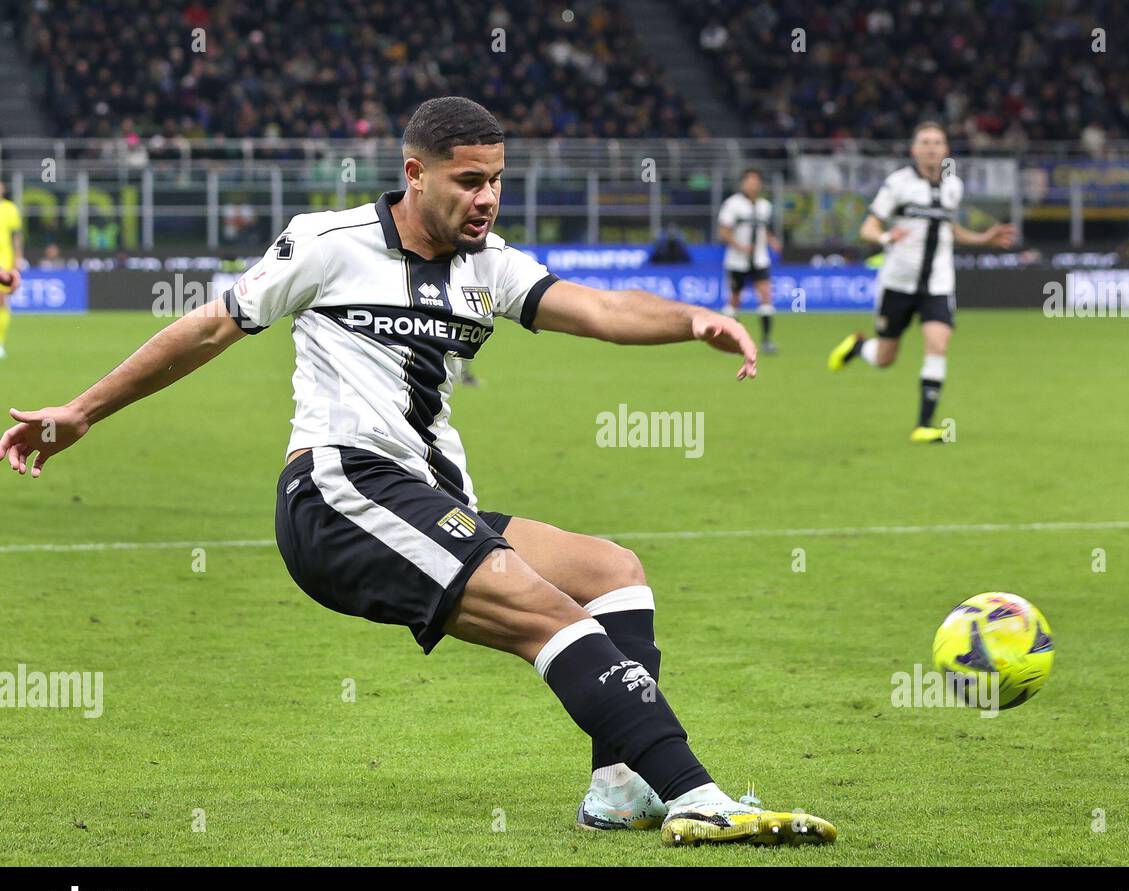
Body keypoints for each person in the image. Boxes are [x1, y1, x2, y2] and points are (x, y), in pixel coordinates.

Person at [1, 97, 835, 849]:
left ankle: (620, 791)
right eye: (468, 181)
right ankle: (696, 794)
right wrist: (81, 410)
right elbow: (210, 330)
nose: (486, 199)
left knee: (612, 575)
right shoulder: (327, 243)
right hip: (337, 492)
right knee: (548, 613)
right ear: (413, 174)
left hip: (427, 500)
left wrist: (692, 318)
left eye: (497, 181)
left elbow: (602, 308)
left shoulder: (491, 266)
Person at [827, 121, 1015, 443]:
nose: (931, 148)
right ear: (914, 150)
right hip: (898, 283)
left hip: (938, 284)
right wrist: (886, 236)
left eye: (937, 142)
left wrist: (984, 239)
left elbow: (948, 228)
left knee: (938, 343)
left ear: (946, 150)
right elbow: (868, 227)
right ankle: (859, 347)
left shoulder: (953, 187)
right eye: (925, 142)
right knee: (886, 358)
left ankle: (924, 425)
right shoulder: (898, 184)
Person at [717, 169, 781, 353]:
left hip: (760, 259)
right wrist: (740, 246)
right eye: (750, 181)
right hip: (737, 261)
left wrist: (772, 241)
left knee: (766, 296)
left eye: (756, 181)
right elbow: (723, 232)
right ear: (743, 183)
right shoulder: (732, 205)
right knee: (735, 300)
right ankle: (731, 342)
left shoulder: (765, 206)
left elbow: (764, 230)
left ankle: (767, 340)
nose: (753, 185)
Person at [0, 180, 24, 360]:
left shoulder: (10, 209)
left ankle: (0, 342)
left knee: (1, 301)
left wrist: (17, 258)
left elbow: (16, 237)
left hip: (4, 260)